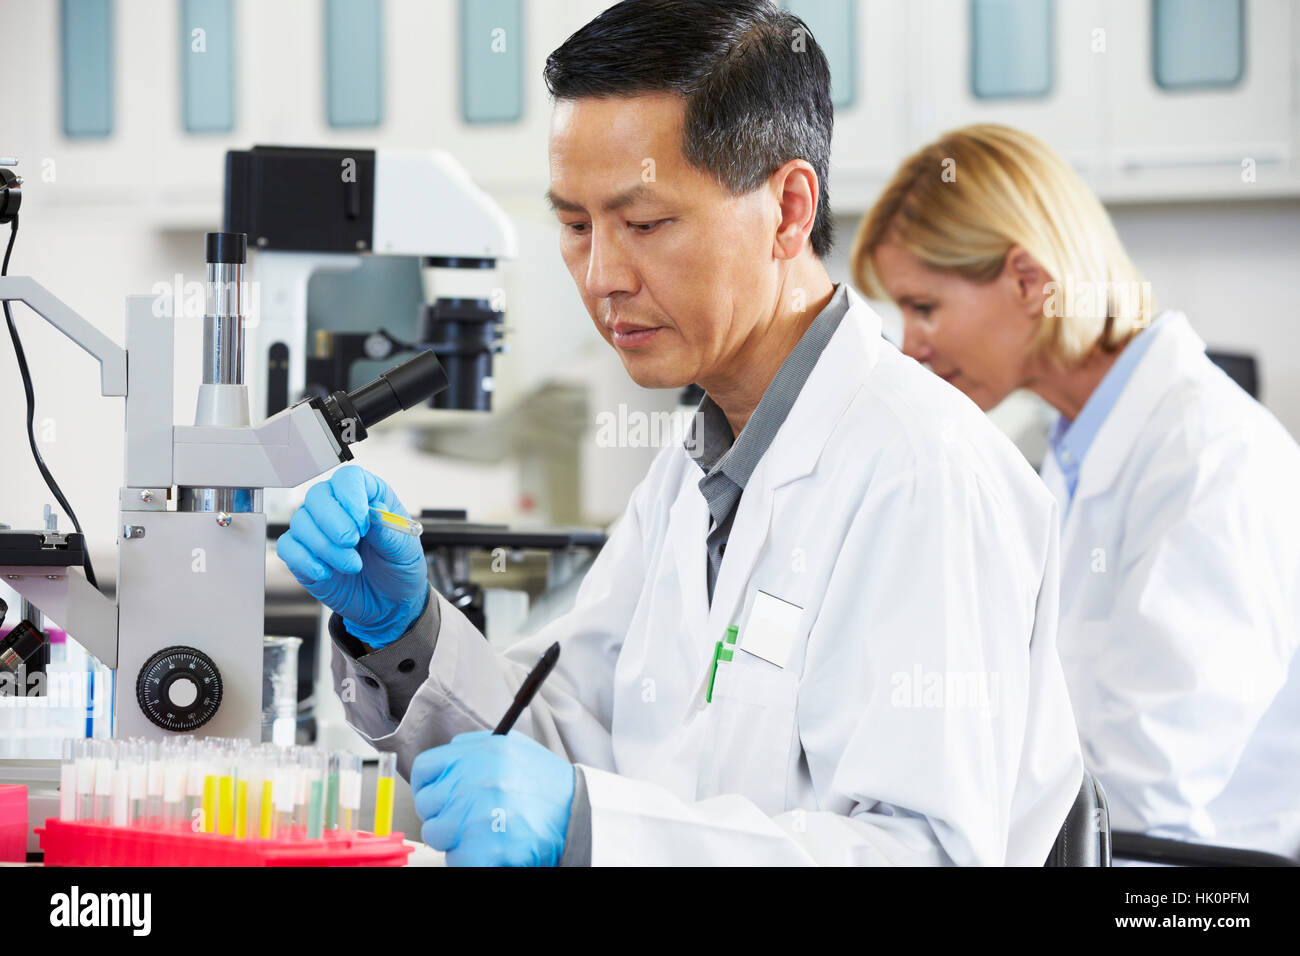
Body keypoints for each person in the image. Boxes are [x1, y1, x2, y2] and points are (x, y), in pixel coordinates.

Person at [277, 2, 1082, 866]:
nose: (601, 277)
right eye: (576, 226)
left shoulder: (923, 472)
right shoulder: (697, 467)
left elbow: (926, 853)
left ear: (788, 209)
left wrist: (599, 833)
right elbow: (563, 740)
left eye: (647, 224)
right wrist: (408, 636)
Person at [851, 123, 1300, 859]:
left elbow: (1145, 794)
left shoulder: (1211, 461)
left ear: (1029, 281)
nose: (912, 345)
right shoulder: (1067, 445)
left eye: (924, 307)